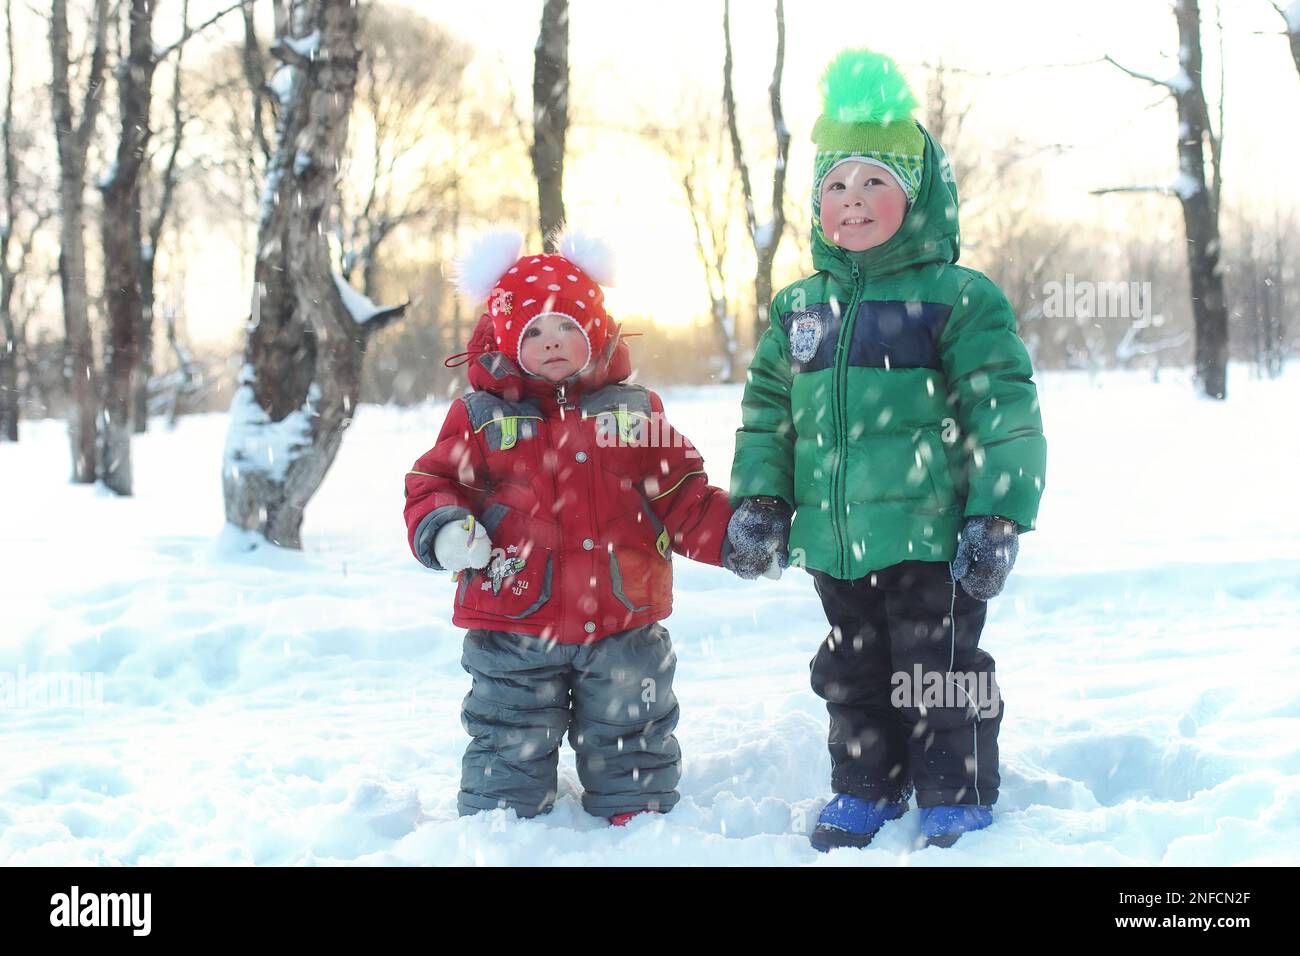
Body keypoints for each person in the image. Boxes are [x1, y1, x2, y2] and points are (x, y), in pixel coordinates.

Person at [725, 49, 1047, 851]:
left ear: (916, 195)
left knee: (937, 669)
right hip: (836, 541)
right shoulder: (798, 306)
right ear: (817, 205)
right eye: (836, 186)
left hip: (932, 538)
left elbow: (1002, 411)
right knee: (854, 672)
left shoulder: (959, 299)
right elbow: (768, 412)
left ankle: (955, 789)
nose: (853, 201)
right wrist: (762, 499)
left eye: (874, 183)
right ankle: (867, 783)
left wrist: (996, 516)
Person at [403, 229, 733, 824]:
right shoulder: (481, 417)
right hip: (514, 616)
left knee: (632, 717)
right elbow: (434, 483)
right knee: (509, 724)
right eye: (533, 331)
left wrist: (733, 535)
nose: (552, 342)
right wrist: (446, 527)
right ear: (506, 339)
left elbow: (682, 491)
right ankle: (504, 816)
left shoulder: (633, 414)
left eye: (567, 328)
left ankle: (636, 808)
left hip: (622, 613)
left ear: (596, 334)